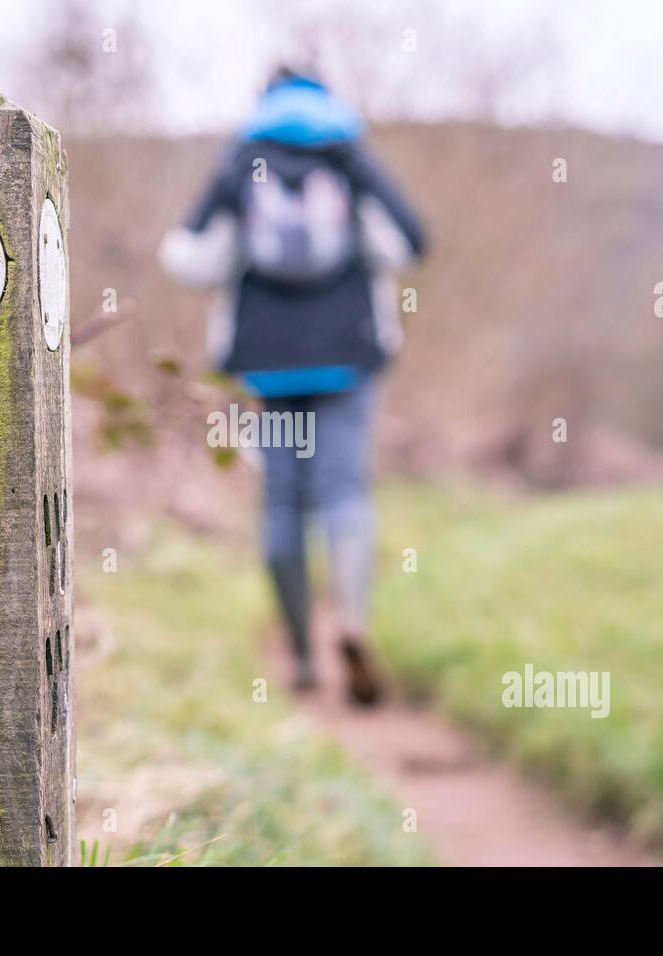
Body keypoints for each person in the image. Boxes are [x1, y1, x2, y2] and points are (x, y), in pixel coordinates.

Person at [159, 65, 427, 705]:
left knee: (281, 503)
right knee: (343, 491)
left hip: (264, 365)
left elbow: (190, 260)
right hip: (348, 358)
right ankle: (353, 625)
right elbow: (408, 245)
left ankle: (304, 657)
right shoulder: (349, 156)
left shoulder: (244, 159)